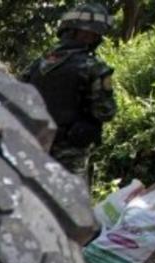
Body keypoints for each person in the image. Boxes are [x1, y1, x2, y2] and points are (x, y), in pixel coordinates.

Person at [20, 3, 117, 181]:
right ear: (93, 36)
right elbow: (105, 111)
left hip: (34, 144)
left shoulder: (36, 65)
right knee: (70, 196)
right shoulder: (93, 68)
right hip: (70, 152)